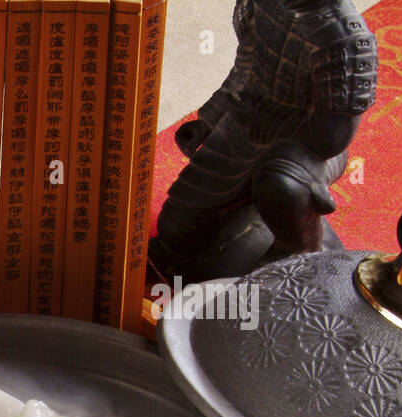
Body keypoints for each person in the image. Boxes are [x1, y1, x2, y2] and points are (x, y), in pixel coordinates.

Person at [151, 0, 378, 282]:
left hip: (306, 148)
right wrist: (211, 118)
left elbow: (331, 139)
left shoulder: (345, 39)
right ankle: (256, 211)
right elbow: (247, 69)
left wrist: (275, 129)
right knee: (177, 231)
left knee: (282, 184)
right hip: (249, 124)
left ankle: (301, 257)